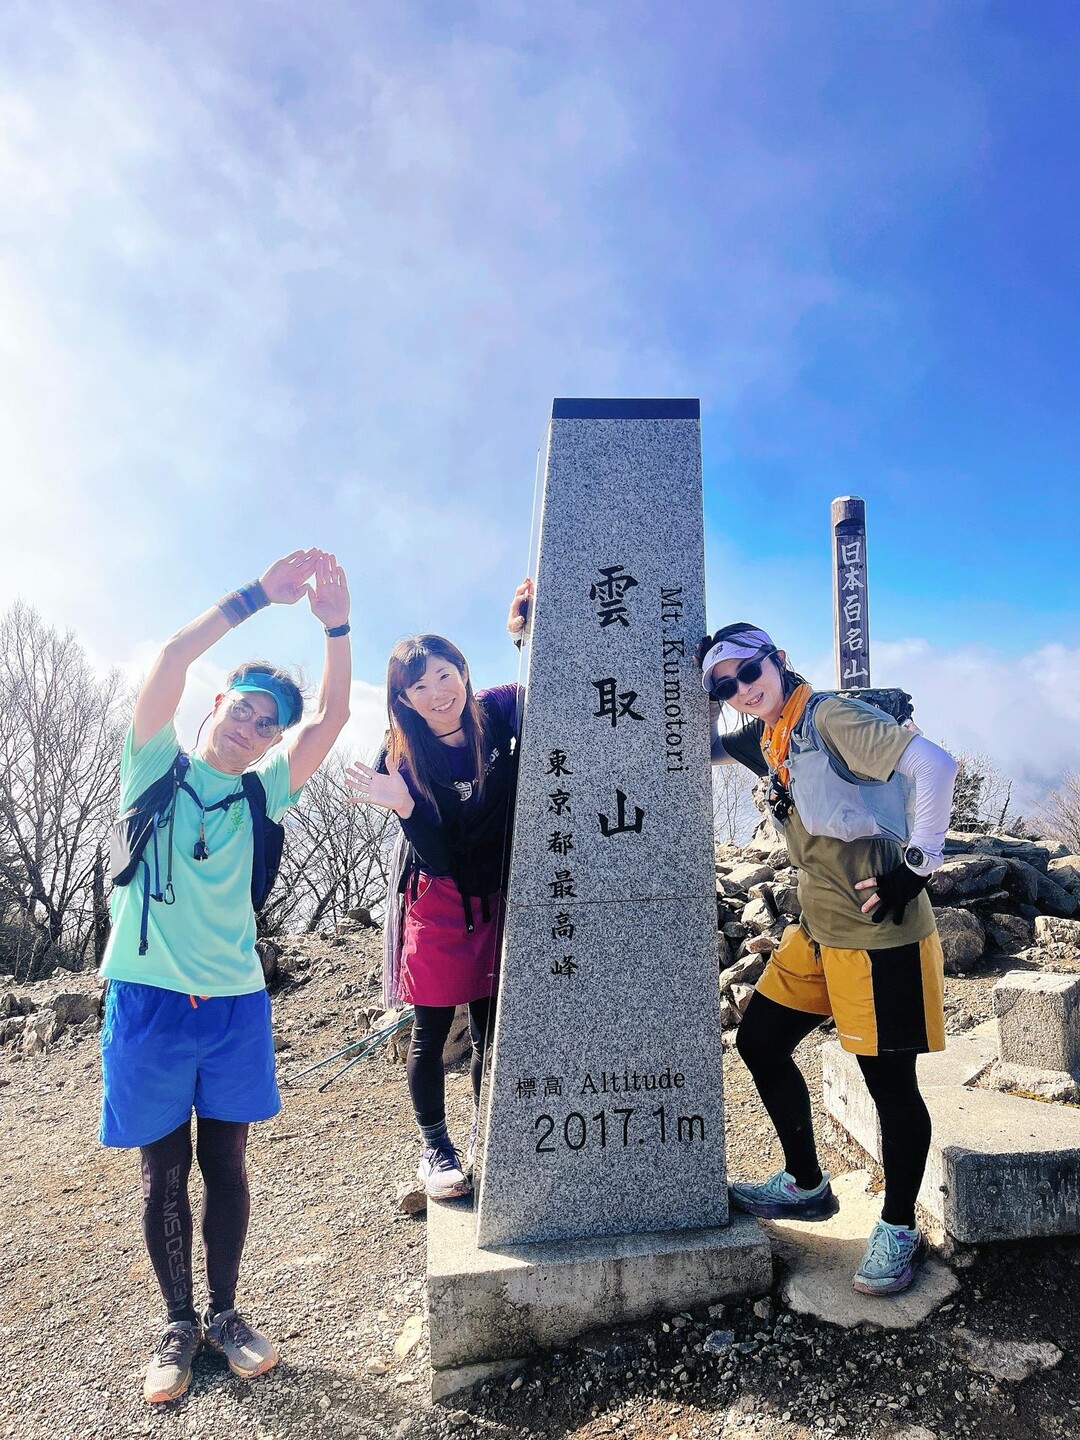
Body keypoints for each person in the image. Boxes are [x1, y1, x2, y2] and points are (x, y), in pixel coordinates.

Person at [99, 549, 351, 1404]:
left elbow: (334, 717)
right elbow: (172, 656)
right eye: (243, 709)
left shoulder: (262, 793)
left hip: (236, 1004)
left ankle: (226, 1314)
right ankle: (177, 1324)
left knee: (229, 1163)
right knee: (163, 1170)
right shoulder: (152, 767)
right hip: (148, 1001)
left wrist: (337, 629)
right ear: (217, 705)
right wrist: (255, 598)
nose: (250, 727)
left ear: (273, 742)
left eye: (266, 725)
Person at [698, 622, 957, 1296]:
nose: (741, 689)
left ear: (778, 660)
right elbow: (697, 744)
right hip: (816, 931)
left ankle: (898, 1226)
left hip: (879, 934)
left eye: (748, 672)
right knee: (759, 1041)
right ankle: (806, 1184)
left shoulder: (830, 718)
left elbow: (935, 766)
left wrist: (917, 868)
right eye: (724, 687)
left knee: (889, 1086)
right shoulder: (769, 735)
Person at [345, 581, 530, 1200]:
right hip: (439, 896)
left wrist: (524, 633)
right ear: (402, 698)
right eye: (419, 686)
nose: (438, 693)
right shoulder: (399, 754)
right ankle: (436, 1146)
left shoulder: (495, 712)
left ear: (464, 672)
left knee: (491, 1027)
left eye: (446, 675)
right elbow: (439, 855)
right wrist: (404, 807)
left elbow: (551, 684)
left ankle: (490, 1134)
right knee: (431, 1028)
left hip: (501, 893)